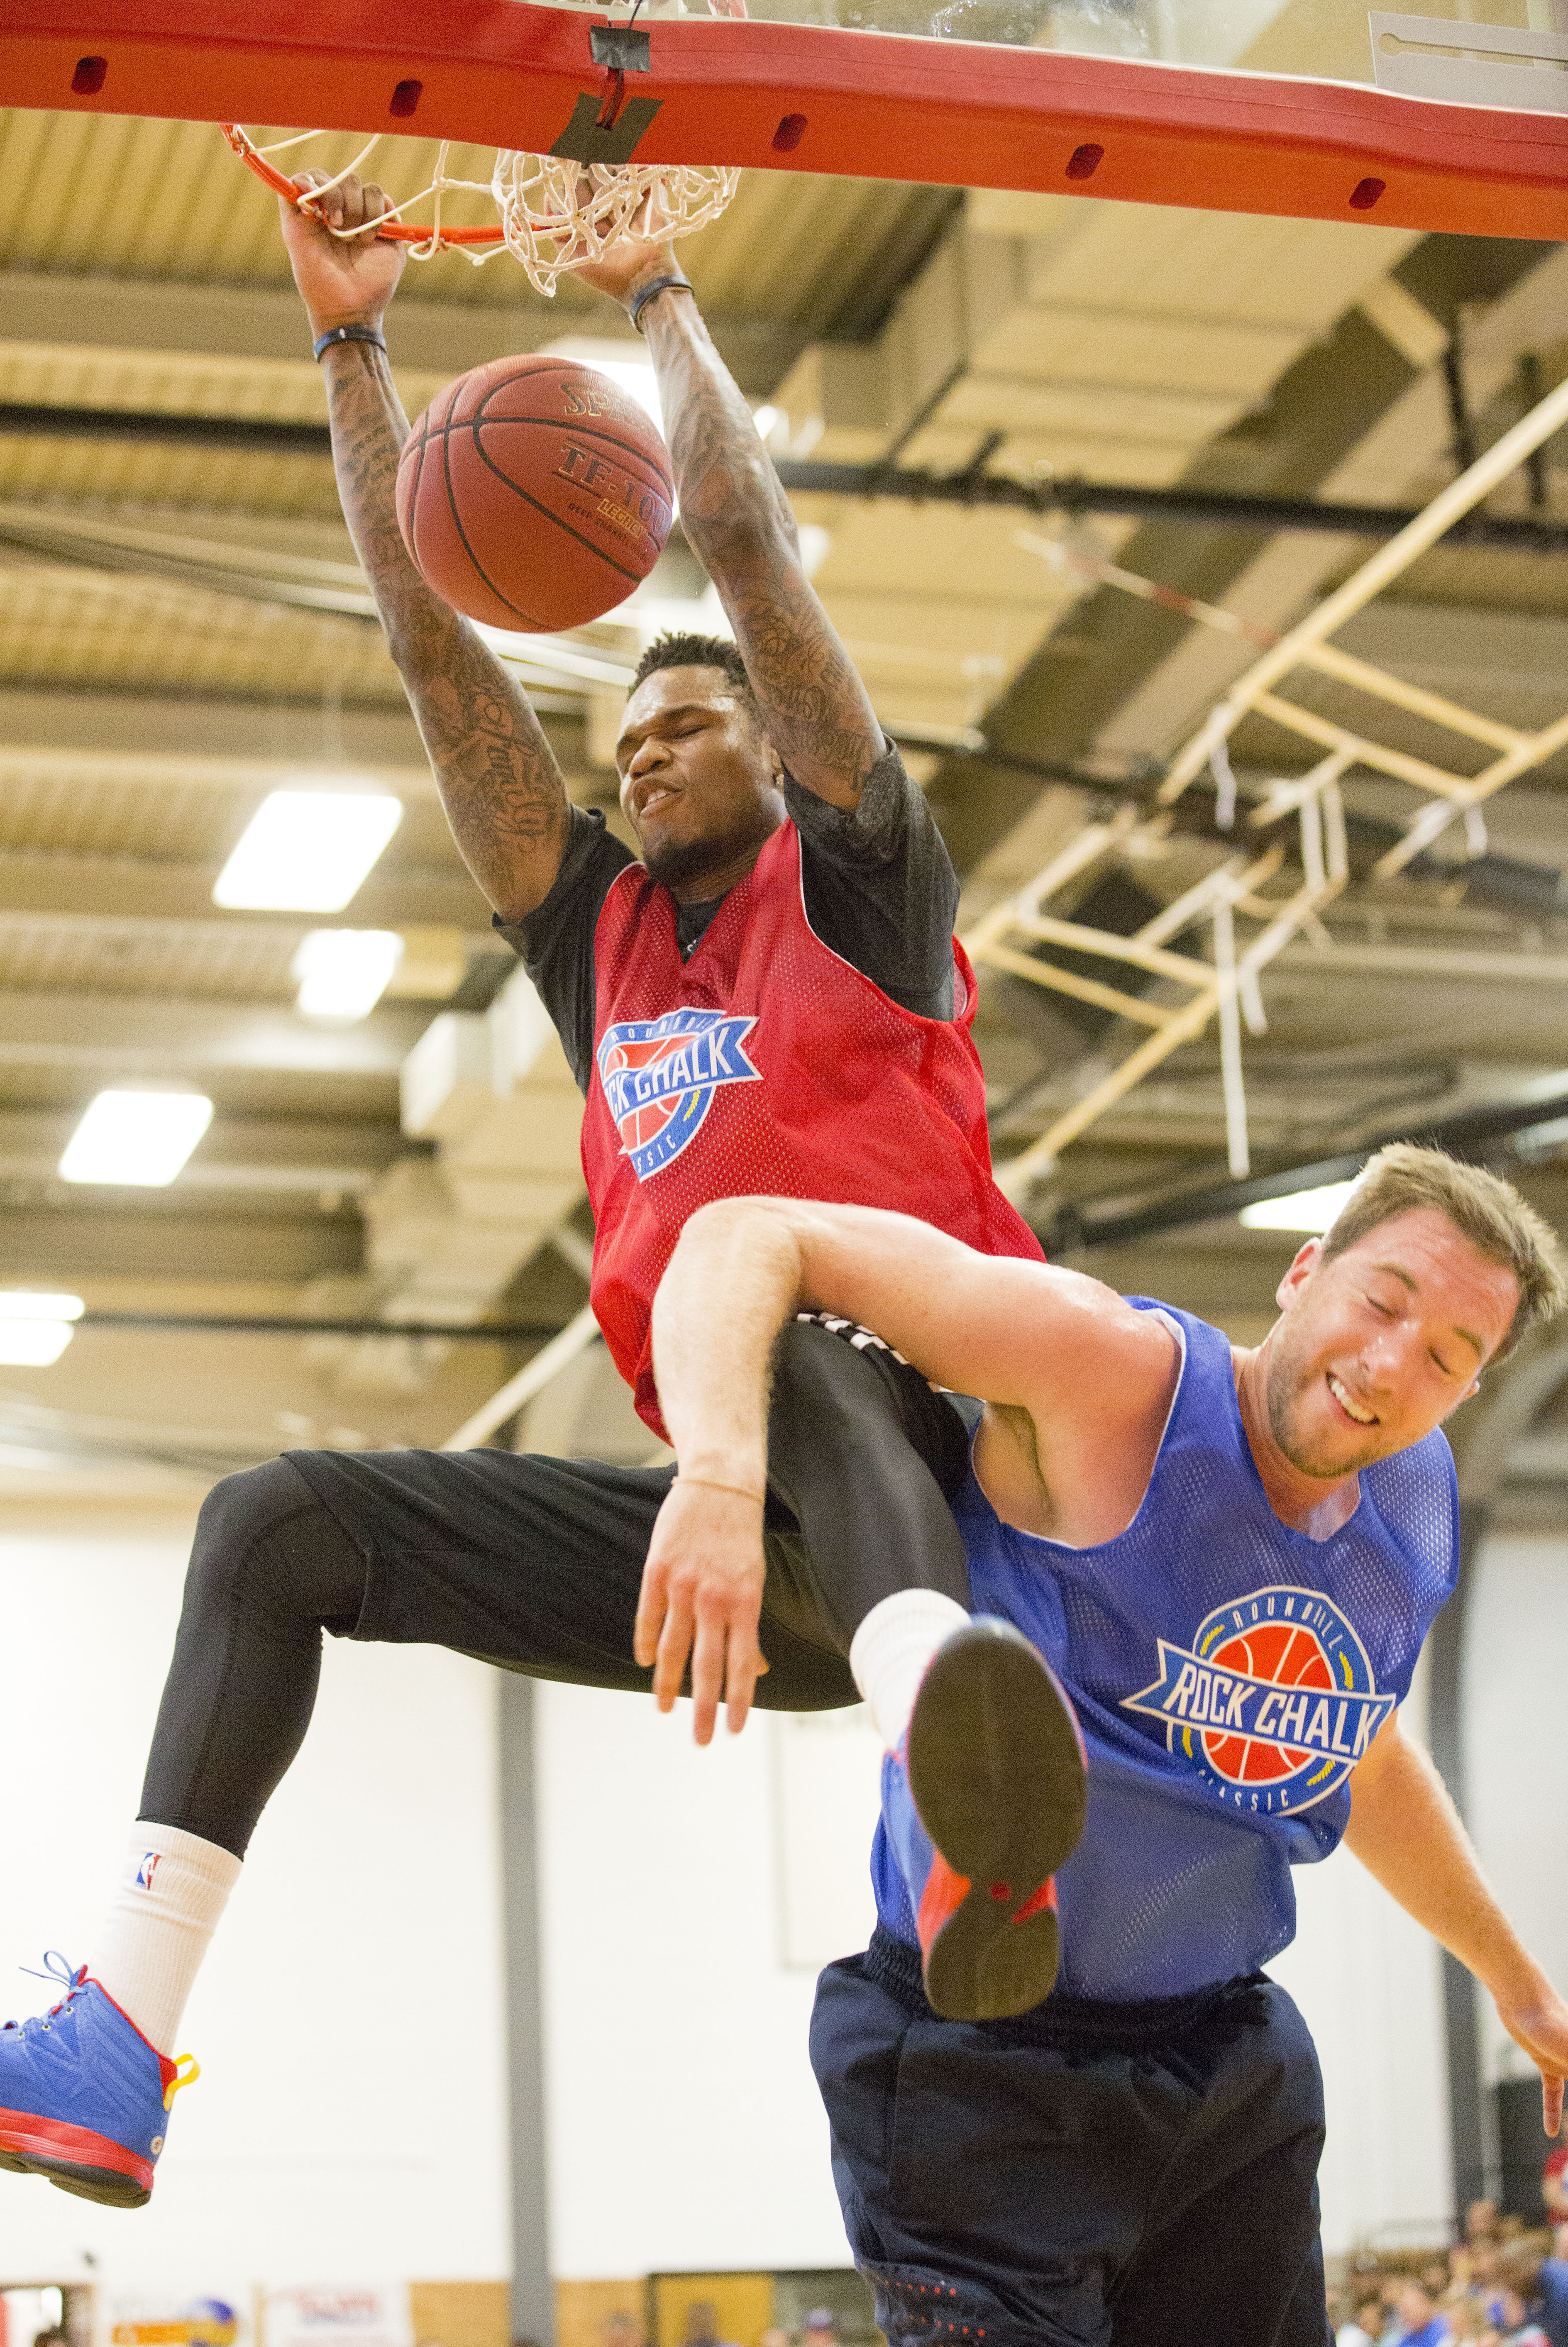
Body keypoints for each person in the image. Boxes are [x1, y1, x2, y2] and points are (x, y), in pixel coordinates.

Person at [0, 186, 1064, 2213]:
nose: (647, 758)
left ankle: (967, 1771)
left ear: (781, 744)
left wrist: (651, 287)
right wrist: (349, 345)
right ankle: (118, 2032)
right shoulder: (604, 952)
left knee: (799, 1315)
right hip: (734, 1528)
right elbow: (426, 641)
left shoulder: (863, 884)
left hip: (938, 1463)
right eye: (626, 741)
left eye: (690, 727)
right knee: (275, 1525)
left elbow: (739, 542)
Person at [637, 1143, 1568, 2342]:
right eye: (1381, 1303)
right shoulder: (1113, 1371)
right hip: (983, 2067)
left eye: (1448, 1357)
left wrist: (1520, 1984)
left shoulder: (1413, 1507)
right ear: (1303, 1273)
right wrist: (717, 1478)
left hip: (1225, 2069)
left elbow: (1359, 1750)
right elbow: (748, 1230)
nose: (1391, 1365)